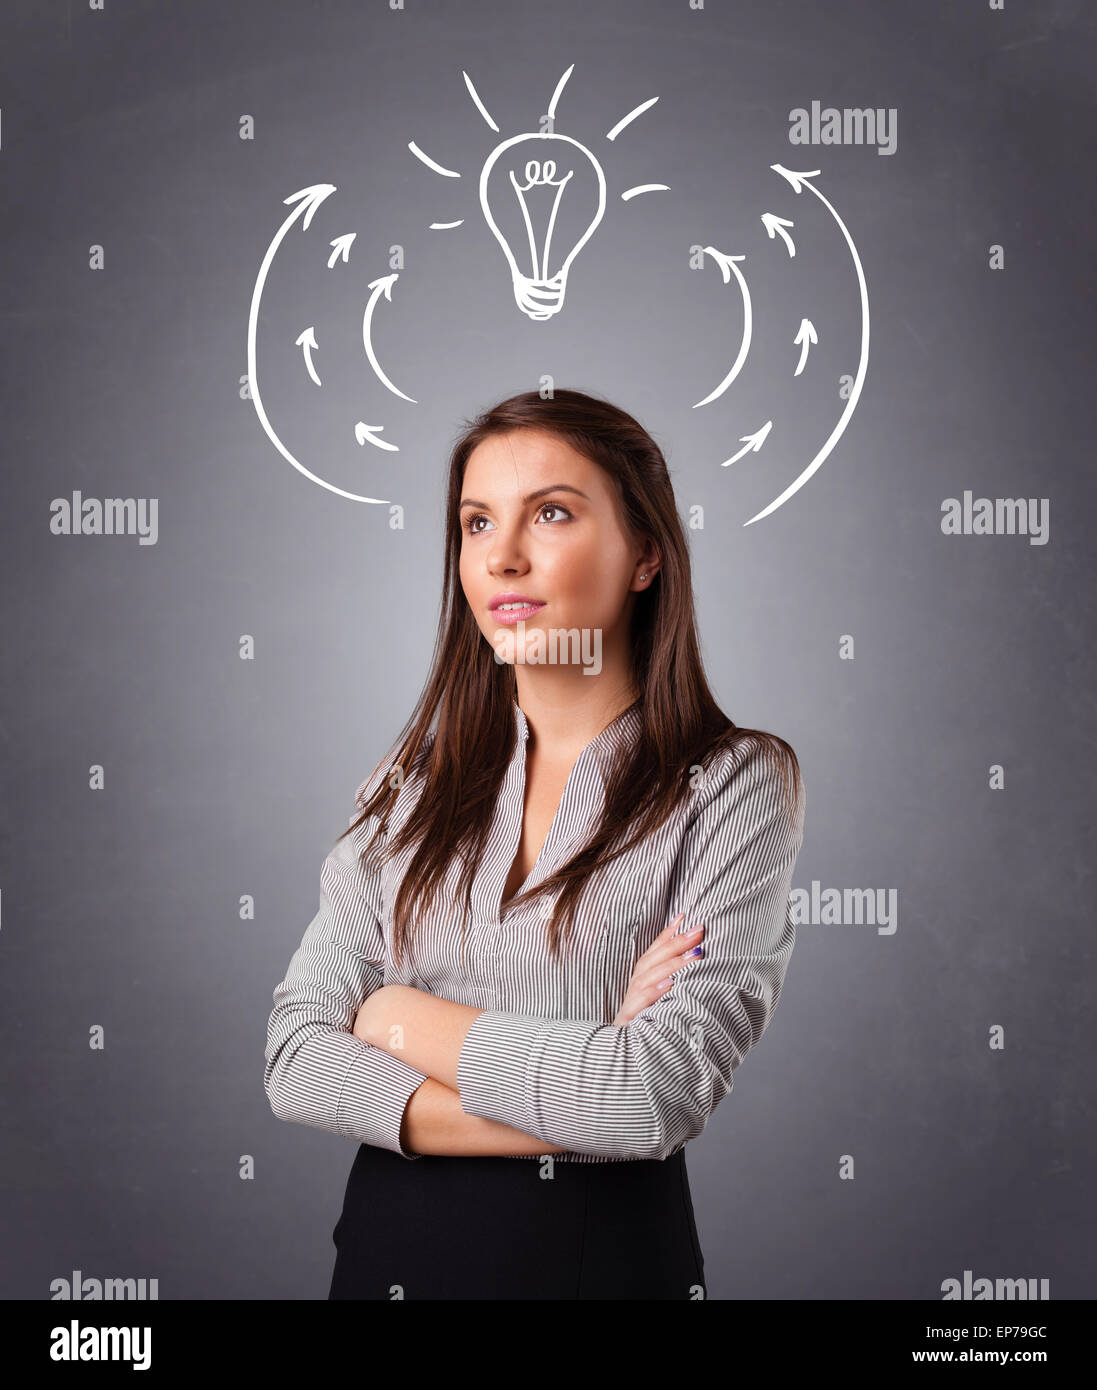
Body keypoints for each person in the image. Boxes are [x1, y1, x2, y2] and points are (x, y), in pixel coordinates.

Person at [263, 387, 806, 1299]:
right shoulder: (408, 783)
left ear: (644, 554)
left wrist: (396, 1016)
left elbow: (652, 1096)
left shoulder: (733, 781)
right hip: (386, 1267)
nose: (502, 558)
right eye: (477, 523)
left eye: (550, 513)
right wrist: (590, 1063)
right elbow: (294, 1062)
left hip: (604, 1274)